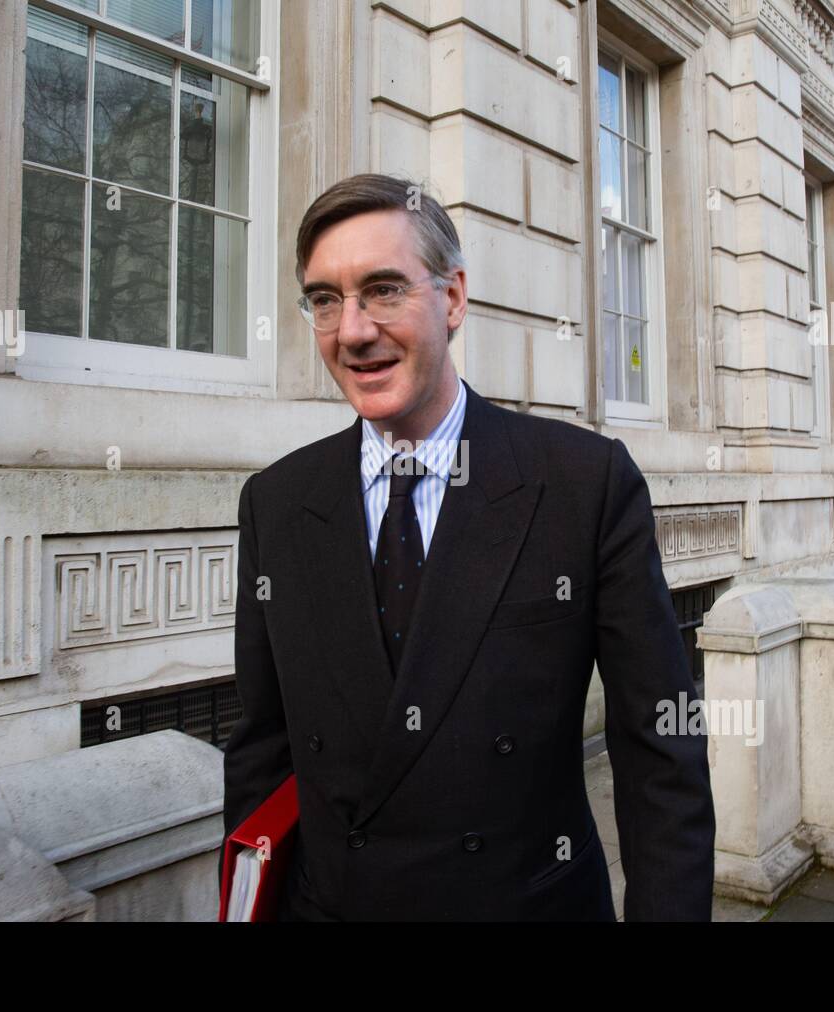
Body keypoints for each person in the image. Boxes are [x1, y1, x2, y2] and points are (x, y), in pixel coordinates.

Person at [220, 172, 715, 921]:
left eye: (384, 290)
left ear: (452, 299)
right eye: (326, 299)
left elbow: (661, 753)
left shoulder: (582, 483)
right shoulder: (277, 503)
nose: (352, 331)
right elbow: (261, 754)